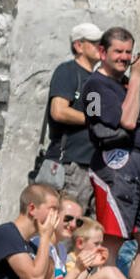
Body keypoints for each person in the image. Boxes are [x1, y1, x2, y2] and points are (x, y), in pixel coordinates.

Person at [84, 26, 140, 279]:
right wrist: (136, 79)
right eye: (118, 51)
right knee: (113, 240)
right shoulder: (95, 85)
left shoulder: (130, 83)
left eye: (129, 52)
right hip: (116, 168)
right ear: (102, 52)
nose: (125, 58)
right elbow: (127, 121)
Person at [36, 22, 101, 210]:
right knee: (63, 227)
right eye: (95, 42)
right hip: (70, 164)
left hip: (93, 167)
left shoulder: (97, 79)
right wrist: (95, 121)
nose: (100, 47)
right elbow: (59, 111)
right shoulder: (68, 71)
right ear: (78, 46)